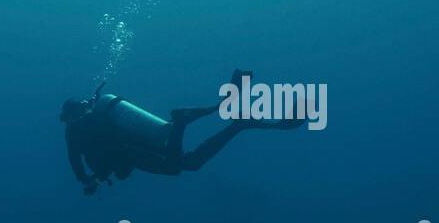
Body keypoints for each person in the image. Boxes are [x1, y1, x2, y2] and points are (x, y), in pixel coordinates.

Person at [60, 70, 305, 195]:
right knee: (190, 163)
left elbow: (75, 161)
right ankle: (237, 124)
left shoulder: (74, 131)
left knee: (175, 167)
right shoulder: (94, 119)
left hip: (131, 150)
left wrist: (86, 180)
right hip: (137, 144)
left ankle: (182, 121)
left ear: (69, 116)